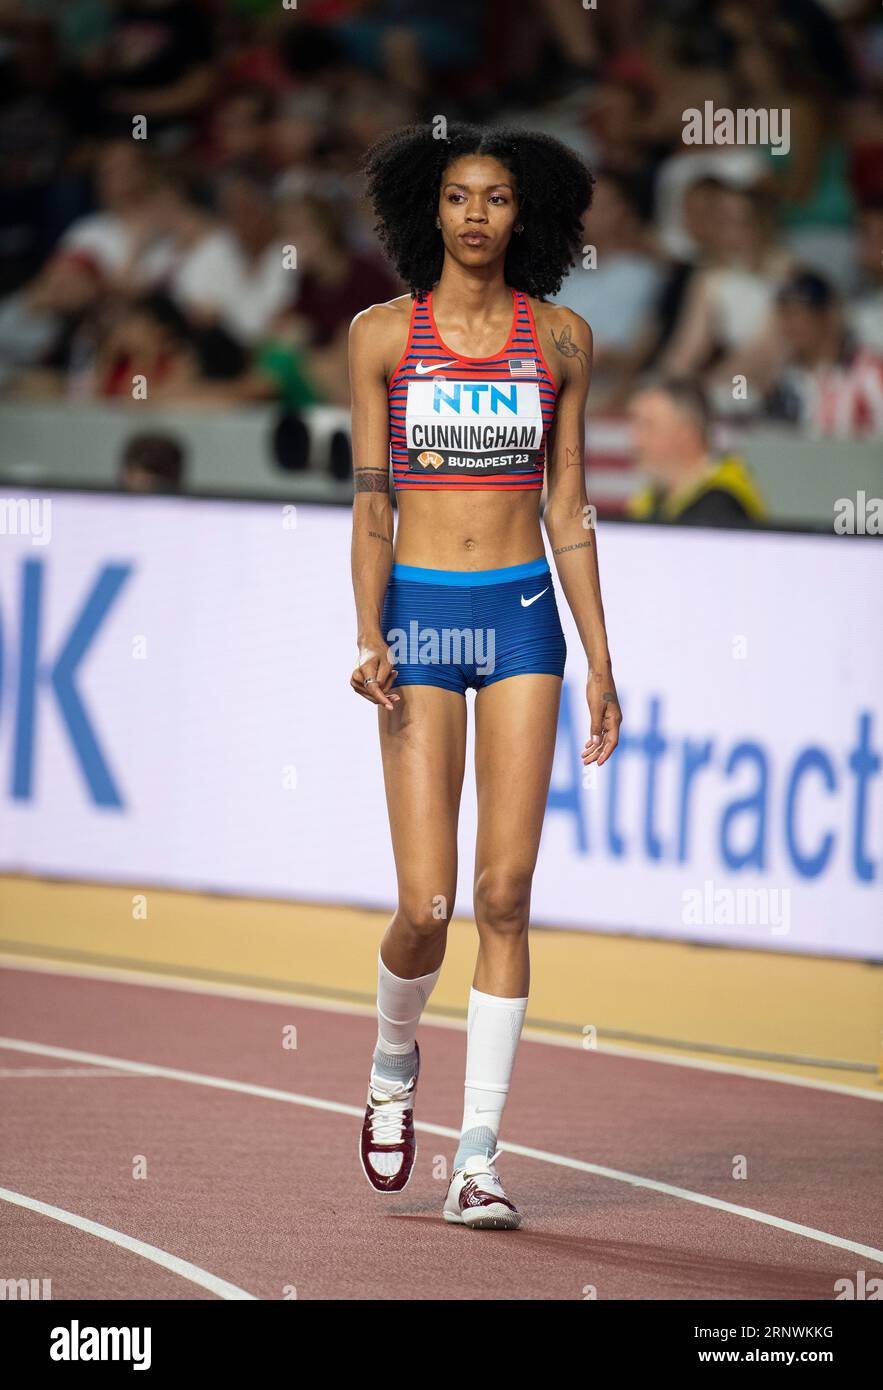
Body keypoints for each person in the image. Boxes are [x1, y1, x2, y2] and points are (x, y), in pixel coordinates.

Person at [348, 123, 622, 1230]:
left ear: (526, 217)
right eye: (457, 196)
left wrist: (602, 656)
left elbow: (568, 506)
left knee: (505, 896)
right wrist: (368, 632)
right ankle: (390, 1058)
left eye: (496, 197)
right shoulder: (379, 336)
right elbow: (372, 502)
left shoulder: (559, 339)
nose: (474, 215)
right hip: (419, 619)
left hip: (520, 620)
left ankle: (477, 1160)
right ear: (431, 210)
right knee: (427, 902)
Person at [625, 379, 766, 527]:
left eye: (648, 426)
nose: (635, 440)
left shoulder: (723, 505)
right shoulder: (651, 501)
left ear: (686, 433)